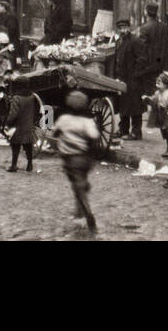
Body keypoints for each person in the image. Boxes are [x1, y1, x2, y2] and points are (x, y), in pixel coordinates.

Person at [52, 91, 101, 236]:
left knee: (78, 187)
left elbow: (54, 133)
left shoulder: (63, 119)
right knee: (80, 183)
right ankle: (79, 209)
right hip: (86, 158)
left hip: (70, 159)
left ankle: (88, 215)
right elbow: (95, 136)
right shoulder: (87, 121)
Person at [114, 18, 142, 139]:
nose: (123, 30)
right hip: (122, 78)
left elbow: (141, 59)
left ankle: (136, 132)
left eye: (125, 28)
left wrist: (136, 75)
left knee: (135, 105)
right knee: (123, 105)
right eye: (121, 28)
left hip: (133, 79)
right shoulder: (119, 41)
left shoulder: (135, 41)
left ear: (129, 28)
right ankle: (123, 129)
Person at [6, 83, 41, 172]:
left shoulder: (16, 98)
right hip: (29, 125)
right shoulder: (33, 96)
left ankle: (14, 165)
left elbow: (13, 113)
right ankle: (30, 164)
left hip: (19, 125)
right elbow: (37, 110)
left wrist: (9, 122)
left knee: (15, 145)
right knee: (28, 145)